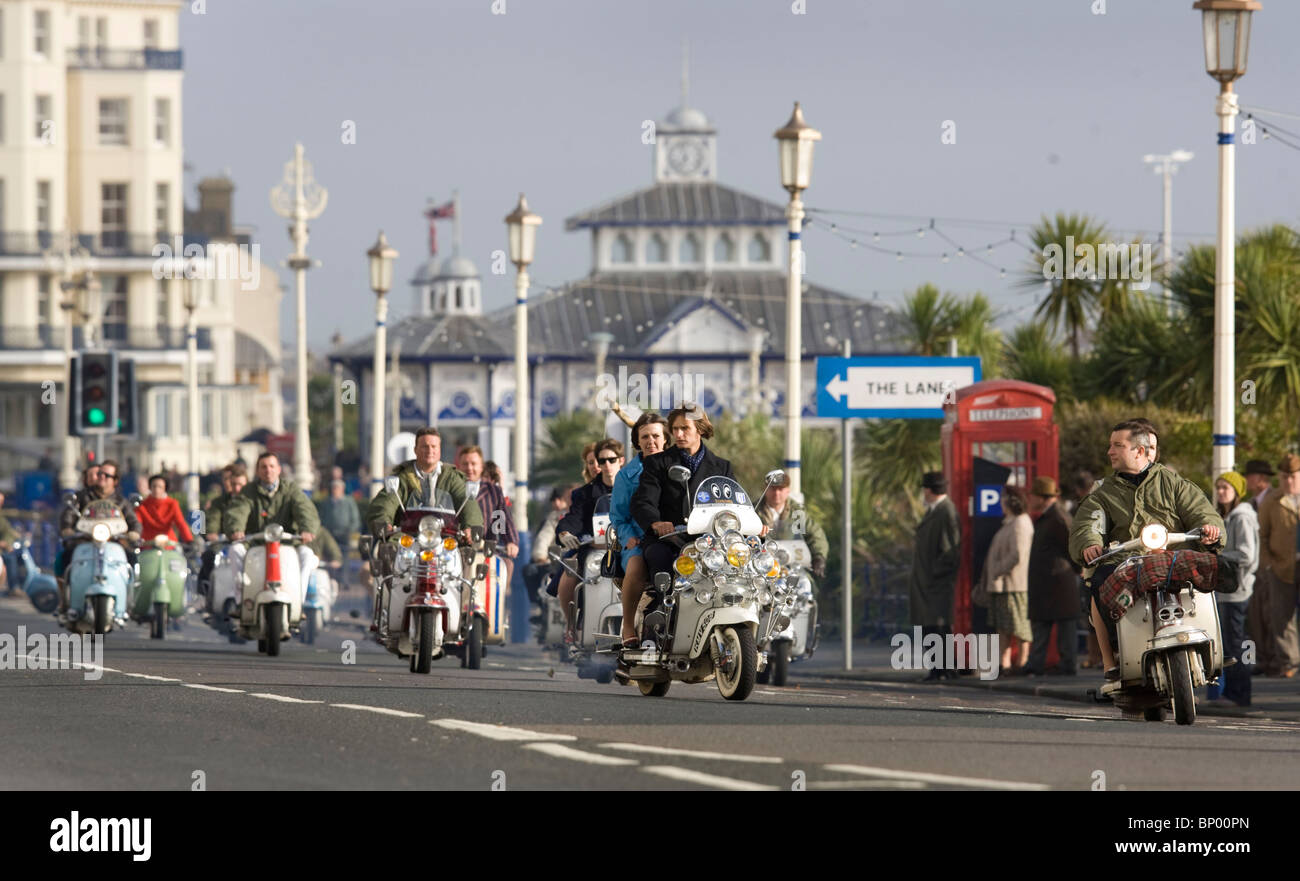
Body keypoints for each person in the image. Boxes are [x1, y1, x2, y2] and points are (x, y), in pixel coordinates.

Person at [1068, 419, 1223, 682]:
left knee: (1209, 574)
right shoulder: (1102, 493)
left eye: (1117, 445)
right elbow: (1088, 523)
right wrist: (1089, 544)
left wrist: (1210, 529)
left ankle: (1212, 645)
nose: (1110, 452)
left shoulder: (1175, 484)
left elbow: (1202, 511)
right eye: (1110, 445)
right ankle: (1115, 652)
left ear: (1139, 452)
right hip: (1125, 564)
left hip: (1172, 558)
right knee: (1099, 580)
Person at [364, 427, 483, 629]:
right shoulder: (402, 477)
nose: (430, 450)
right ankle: (387, 608)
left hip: (445, 537)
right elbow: (387, 502)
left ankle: (464, 609)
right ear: (416, 449)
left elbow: (467, 501)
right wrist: (384, 523)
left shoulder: (452, 477)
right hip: (406, 535)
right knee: (386, 551)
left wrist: (471, 527)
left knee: (468, 555)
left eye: (434, 446)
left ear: (440, 449)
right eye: (425, 446)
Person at [631, 404, 734, 584]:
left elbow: (735, 504)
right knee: (659, 557)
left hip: (709, 542)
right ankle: (663, 605)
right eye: (675, 429)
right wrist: (657, 523)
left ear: (699, 430)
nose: (678, 434)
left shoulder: (722, 467)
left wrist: (756, 525)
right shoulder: (657, 462)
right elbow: (642, 501)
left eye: (684, 428)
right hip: (667, 540)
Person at [555, 438, 624, 644]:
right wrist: (566, 533)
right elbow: (573, 518)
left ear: (621, 460)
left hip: (628, 549)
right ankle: (573, 626)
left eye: (612, 460)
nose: (606, 466)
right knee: (569, 576)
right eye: (602, 461)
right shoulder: (584, 494)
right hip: (594, 550)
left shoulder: (635, 488)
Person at [222, 452, 321, 595]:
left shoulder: (290, 489)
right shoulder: (243, 492)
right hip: (255, 543)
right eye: (263, 467)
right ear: (257, 471)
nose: (268, 470)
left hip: (286, 543)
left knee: (307, 554)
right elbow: (236, 511)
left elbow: (305, 509)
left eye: (271, 466)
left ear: (278, 469)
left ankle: (299, 599)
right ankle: (241, 599)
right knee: (233, 551)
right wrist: (235, 529)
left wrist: (307, 529)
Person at [610, 412, 668, 646]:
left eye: (656, 435)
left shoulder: (678, 467)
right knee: (636, 565)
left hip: (674, 536)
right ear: (637, 442)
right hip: (638, 539)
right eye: (644, 437)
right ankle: (627, 625)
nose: (650, 441)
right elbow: (618, 516)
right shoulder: (626, 475)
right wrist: (629, 537)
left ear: (666, 439)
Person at [57, 459, 140, 615]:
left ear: (115, 481)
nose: (101, 477)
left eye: (107, 475)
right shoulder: (82, 497)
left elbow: (133, 521)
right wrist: (67, 528)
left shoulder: (121, 502)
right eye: (100, 473)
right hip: (86, 540)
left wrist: (134, 532)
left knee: (132, 560)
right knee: (66, 558)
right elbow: (69, 514)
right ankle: (66, 599)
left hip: (114, 542)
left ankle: (128, 601)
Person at [1209, 471, 1258, 706]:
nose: (1220, 492)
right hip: (1227, 591)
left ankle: (1239, 696)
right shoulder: (1227, 516)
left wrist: (1218, 556)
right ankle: (1233, 693)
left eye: (1225, 488)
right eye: (1218, 487)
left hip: (1238, 592)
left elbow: (1247, 554)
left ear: (1237, 491)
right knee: (1230, 644)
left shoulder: (1241, 518)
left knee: (1237, 645)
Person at [1024, 476, 1080, 676]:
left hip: (1059, 582)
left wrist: (1077, 568)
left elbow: (1073, 547)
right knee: (1042, 623)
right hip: (1047, 583)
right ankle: (1035, 664)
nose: (1029, 499)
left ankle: (1067, 665)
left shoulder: (1058, 517)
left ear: (1042, 497)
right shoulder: (1049, 516)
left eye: (1032, 495)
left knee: (1065, 625)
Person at [910, 471, 960, 681]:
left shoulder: (946, 511)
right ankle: (938, 668)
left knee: (938, 626)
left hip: (936, 583)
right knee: (932, 626)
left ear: (929, 490)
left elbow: (951, 551)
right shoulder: (935, 510)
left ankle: (943, 669)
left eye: (924, 489)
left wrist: (934, 575)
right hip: (927, 582)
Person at [981, 484, 1034, 674]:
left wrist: (997, 569)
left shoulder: (1020, 522)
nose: (1000, 502)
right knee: (1002, 626)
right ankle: (1004, 663)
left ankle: (1022, 662)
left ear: (1011, 501)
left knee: (1019, 627)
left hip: (1014, 584)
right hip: (1002, 585)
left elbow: (1017, 554)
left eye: (1003, 499)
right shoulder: (1009, 522)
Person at [1256, 453, 1300, 679]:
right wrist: (1268, 565)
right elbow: (1262, 536)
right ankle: (1289, 662)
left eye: (1292, 477)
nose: (1288, 481)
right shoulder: (1272, 501)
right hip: (1281, 564)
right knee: (1282, 616)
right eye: (1284, 477)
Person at [457, 445, 519, 583]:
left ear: (481, 466)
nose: (469, 468)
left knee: (506, 566)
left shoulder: (493, 491)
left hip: (486, 551)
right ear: (459, 465)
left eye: (474, 464)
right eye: (465, 464)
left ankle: (497, 604)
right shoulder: (452, 488)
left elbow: (502, 519)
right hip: (457, 551)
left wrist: (511, 541)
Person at [755, 472, 829, 577]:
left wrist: (819, 557)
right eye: (772, 489)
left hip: (793, 568)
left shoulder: (796, 513)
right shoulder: (754, 512)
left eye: (780, 489)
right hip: (762, 568)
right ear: (765, 489)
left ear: (787, 491)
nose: (776, 493)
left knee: (807, 588)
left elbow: (815, 534)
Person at [317, 478, 361, 590]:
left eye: (338, 488)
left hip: (344, 534)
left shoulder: (349, 501)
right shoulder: (326, 502)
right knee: (330, 557)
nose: (335, 490)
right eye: (334, 488)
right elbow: (320, 518)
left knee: (345, 557)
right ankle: (331, 580)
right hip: (329, 534)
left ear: (342, 489)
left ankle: (344, 581)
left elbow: (355, 518)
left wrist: (350, 530)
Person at [135, 474, 195, 544]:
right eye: (154, 486)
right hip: (148, 545)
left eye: (160, 487)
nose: (156, 490)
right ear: (150, 488)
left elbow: (181, 523)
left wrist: (189, 540)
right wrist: (134, 536)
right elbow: (136, 523)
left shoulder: (172, 504)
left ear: (165, 489)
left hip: (168, 545)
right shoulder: (142, 506)